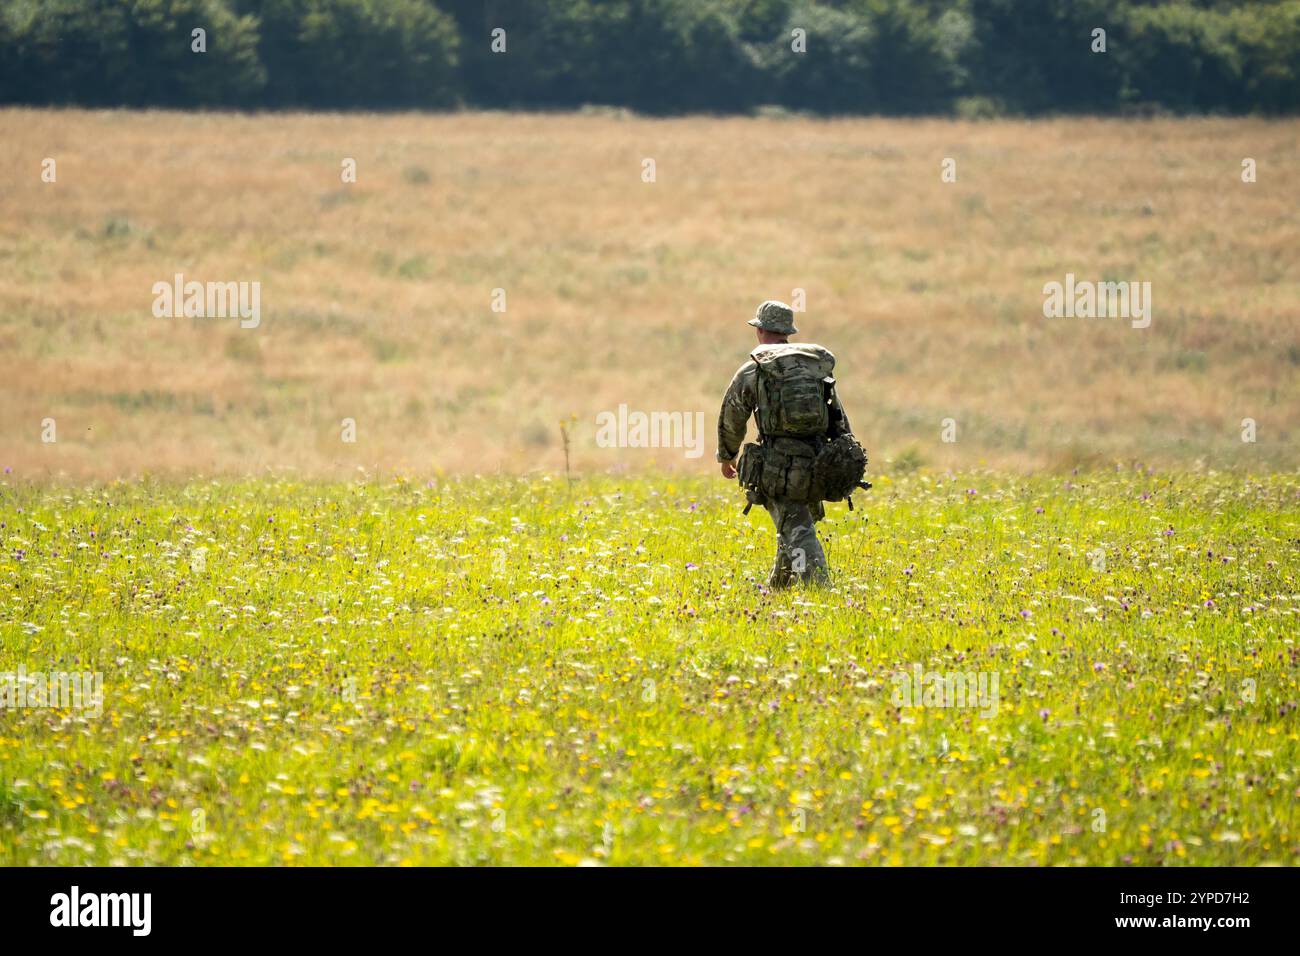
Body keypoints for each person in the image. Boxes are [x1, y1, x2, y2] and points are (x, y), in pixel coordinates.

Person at [716, 300, 854, 589]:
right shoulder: (813, 366)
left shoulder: (755, 369)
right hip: (817, 460)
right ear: (787, 331)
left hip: (777, 463)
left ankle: (819, 589)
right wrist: (844, 453)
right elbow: (836, 412)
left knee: (798, 529)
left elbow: (733, 415)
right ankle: (779, 590)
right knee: (792, 523)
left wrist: (727, 455)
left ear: (760, 330)